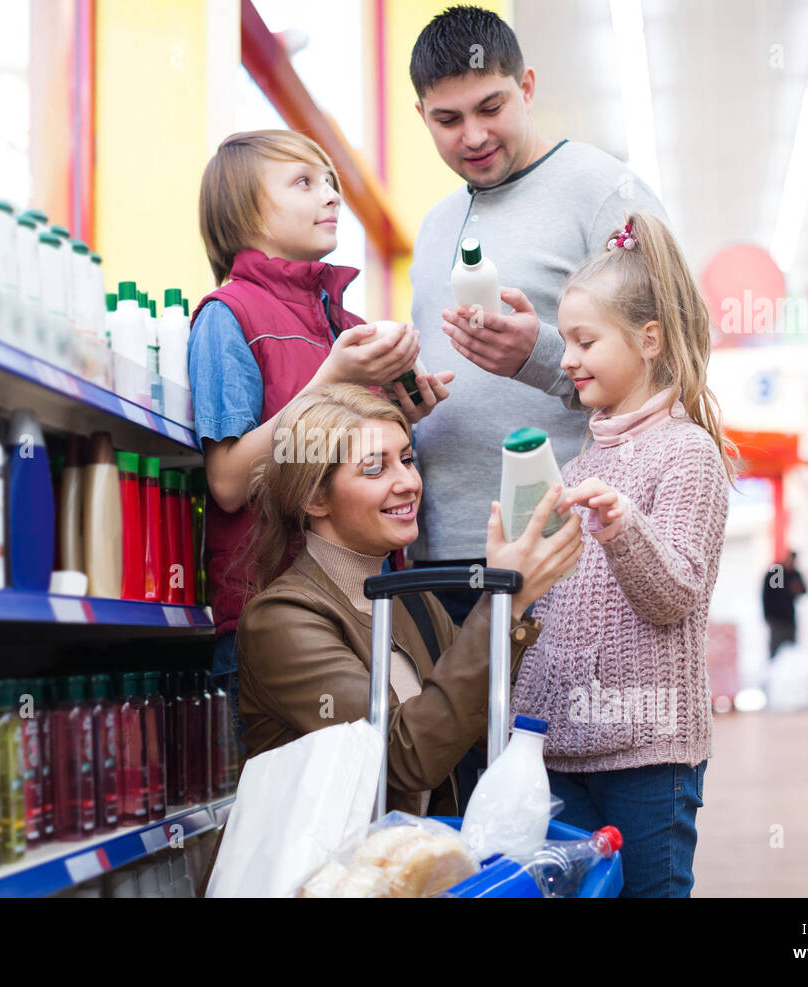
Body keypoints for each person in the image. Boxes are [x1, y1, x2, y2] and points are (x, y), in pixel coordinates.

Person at [187, 130, 455, 750]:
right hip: (278, 614)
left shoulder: (348, 324)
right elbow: (227, 483)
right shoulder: (228, 317)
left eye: (330, 180)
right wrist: (331, 379)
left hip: (373, 607)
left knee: (385, 806)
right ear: (242, 211)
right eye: (304, 182)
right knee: (301, 817)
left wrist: (407, 411)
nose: (331, 195)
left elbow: (344, 460)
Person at [404, 6, 669, 626]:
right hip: (440, 556)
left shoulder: (606, 194)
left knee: (555, 726)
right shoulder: (435, 224)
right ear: (422, 117)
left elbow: (673, 359)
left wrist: (543, 359)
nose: (471, 136)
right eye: (447, 119)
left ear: (526, 87)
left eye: (490, 108)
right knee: (459, 729)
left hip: (564, 548)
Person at [510, 211, 736, 897]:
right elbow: (549, 606)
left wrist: (624, 526)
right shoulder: (579, 462)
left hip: (649, 756)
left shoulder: (688, 452)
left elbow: (675, 596)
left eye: (584, 340)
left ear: (648, 340)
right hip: (561, 751)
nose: (567, 357)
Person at [236, 383, 582, 814]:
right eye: (375, 469)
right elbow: (402, 758)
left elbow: (474, 724)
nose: (408, 483)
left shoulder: (411, 601)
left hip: (403, 866)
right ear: (315, 498)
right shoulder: (280, 621)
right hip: (321, 876)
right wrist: (504, 602)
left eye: (406, 460)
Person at [762, 550, 807, 660]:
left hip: (789, 618)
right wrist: (767, 615)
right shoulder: (776, 572)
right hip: (776, 619)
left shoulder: (794, 574)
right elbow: (766, 595)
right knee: (775, 652)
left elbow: (804, 590)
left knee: (790, 651)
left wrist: (797, 588)